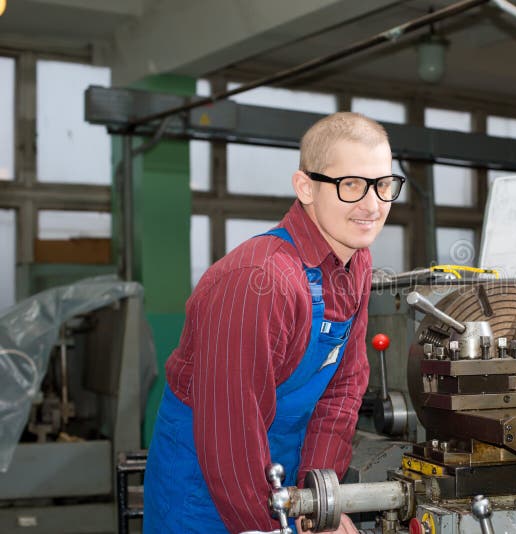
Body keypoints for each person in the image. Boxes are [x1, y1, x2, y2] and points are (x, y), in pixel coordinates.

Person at [143, 112, 404, 533]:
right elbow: (231, 437)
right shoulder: (259, 281)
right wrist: (275, 527)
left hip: (282, 484)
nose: (372, 205)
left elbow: (342, 390)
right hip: (204, 497)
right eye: (351, 185)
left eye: (383, 185)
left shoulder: (356, 264)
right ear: (305, 187)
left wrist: (320, 504)